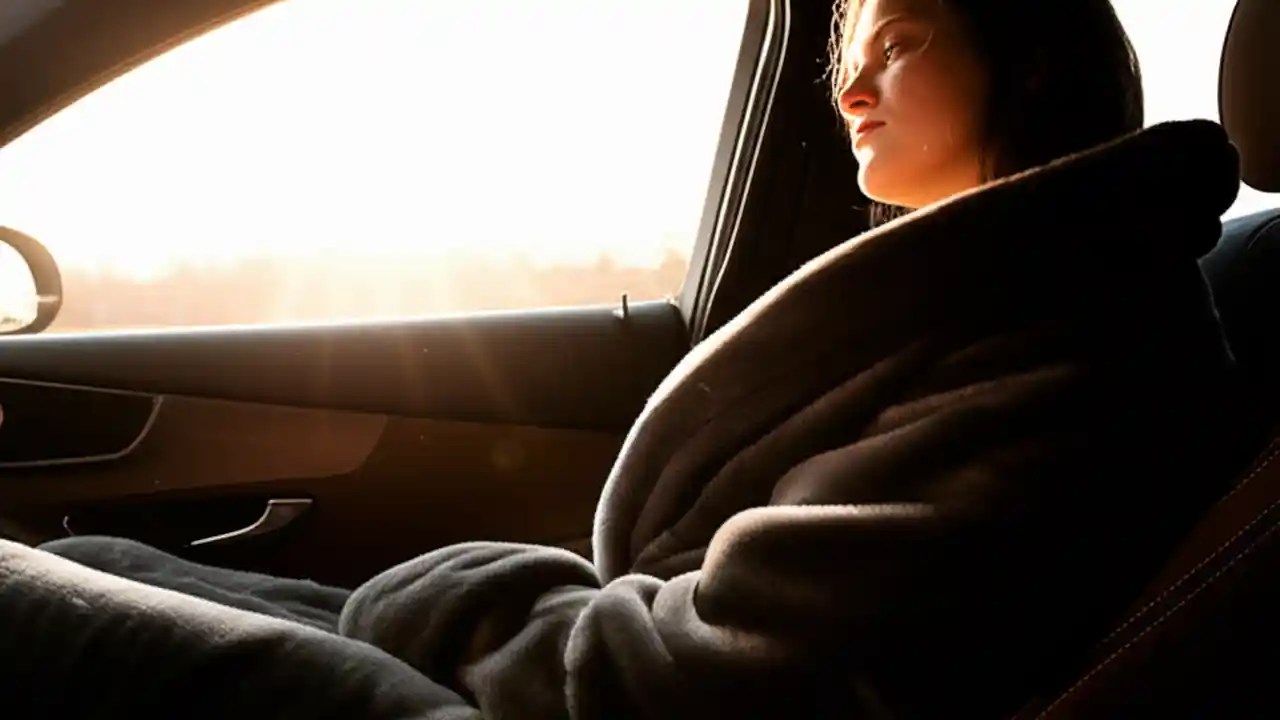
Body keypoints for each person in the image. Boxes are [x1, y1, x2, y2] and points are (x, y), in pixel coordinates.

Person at [7, 0, 1243, 717]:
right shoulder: (1012, 301)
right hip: (598, 674)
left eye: (902, 35)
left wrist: (446, 601)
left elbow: (753, 678)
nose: (853, 79)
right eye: (849, 42)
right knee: (85, 568)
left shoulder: (1078, 344)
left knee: (38, 616)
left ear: (1028, 57)